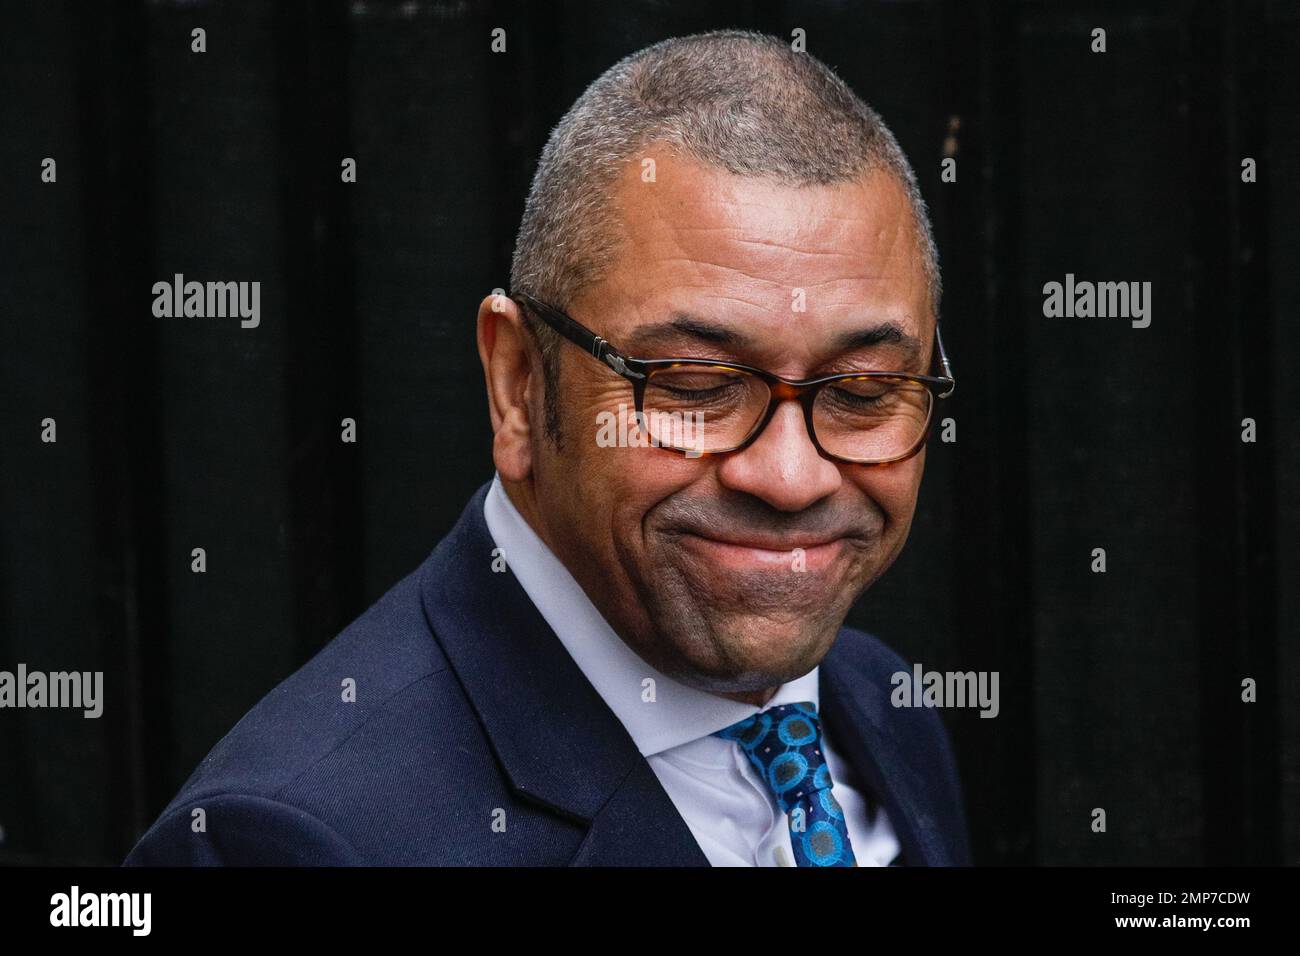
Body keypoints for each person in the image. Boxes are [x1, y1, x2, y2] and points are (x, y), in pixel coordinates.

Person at [124, 29, 970, 867]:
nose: (790, 477)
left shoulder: (879, 705)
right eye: (697, 386)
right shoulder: (290, 845)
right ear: (519, 383)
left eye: (864, 392)